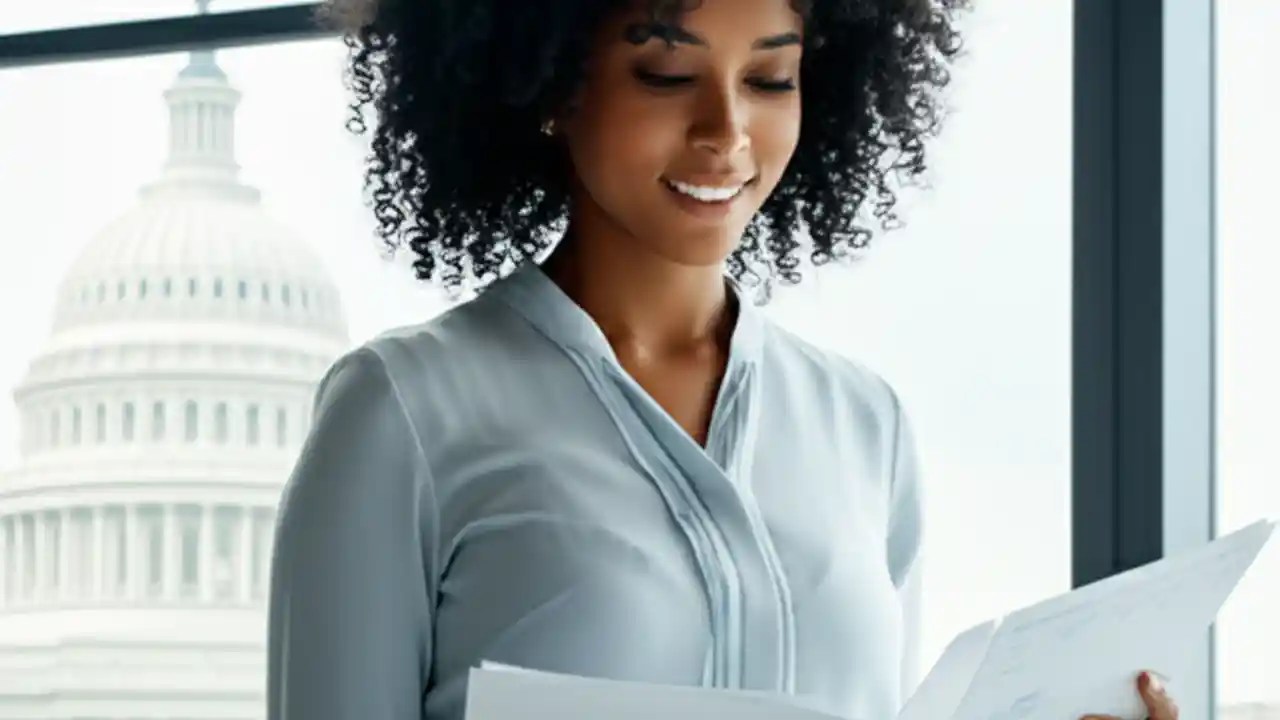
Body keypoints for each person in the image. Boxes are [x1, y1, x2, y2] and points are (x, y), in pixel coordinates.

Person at [266, 1, 1181, 719]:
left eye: (772, 78)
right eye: (666, 73)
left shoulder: (862, 422)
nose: (728, 132)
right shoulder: (402, 412)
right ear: (548, 84)